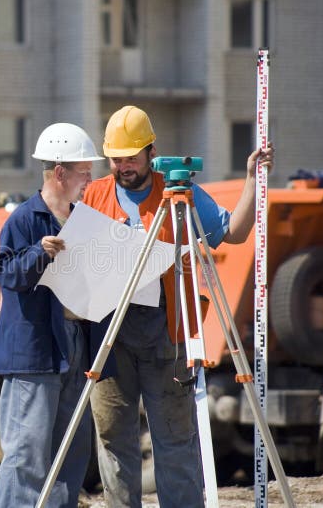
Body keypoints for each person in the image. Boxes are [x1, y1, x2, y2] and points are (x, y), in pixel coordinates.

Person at [83, 105, 274, 507]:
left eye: (131, 158)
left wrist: (253, 181)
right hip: (110, 335)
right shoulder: (96, 194)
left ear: (151, 152)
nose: (123, 167)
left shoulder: (178, 192)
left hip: (167, 333)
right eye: (116, 159)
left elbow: (234, 232)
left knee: (175, 438)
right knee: (113, 438)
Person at [0, 122, 105, 507]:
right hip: (36, 351)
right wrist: (38, 252)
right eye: (84, 171)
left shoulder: (83, 219)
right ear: (60, 172)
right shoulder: (24, 220)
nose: (89, 179)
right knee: (27, 451)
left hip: (75, 345)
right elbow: (7, 274)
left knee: (70, 450)